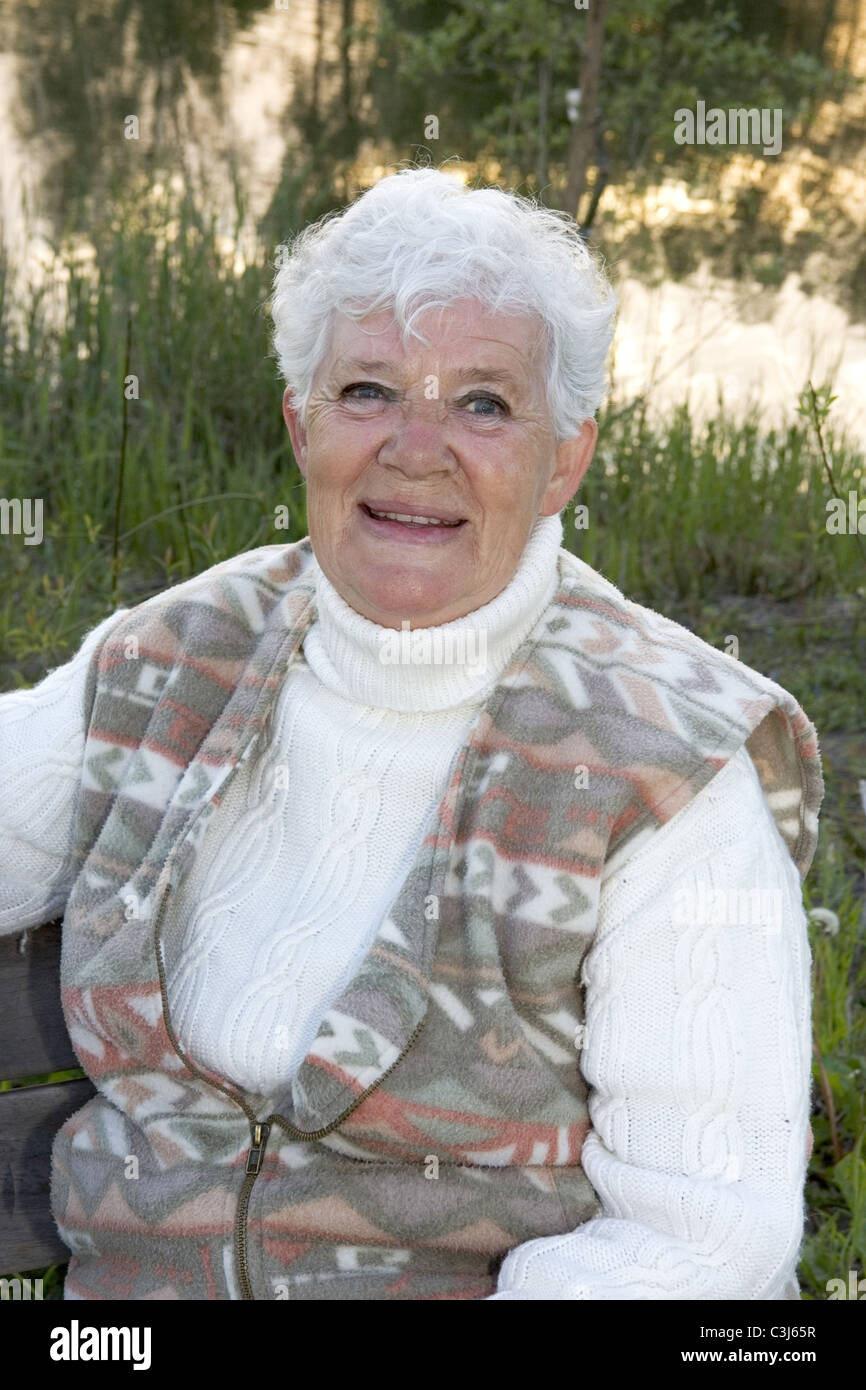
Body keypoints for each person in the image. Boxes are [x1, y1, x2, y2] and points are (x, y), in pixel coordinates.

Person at [0, 166, 823, 1301]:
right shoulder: (174, 657)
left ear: (564, 459)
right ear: (301, 425)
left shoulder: (666, 758)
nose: (416, 445)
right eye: (368, 392)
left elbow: (700, 1241)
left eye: (482, 402)